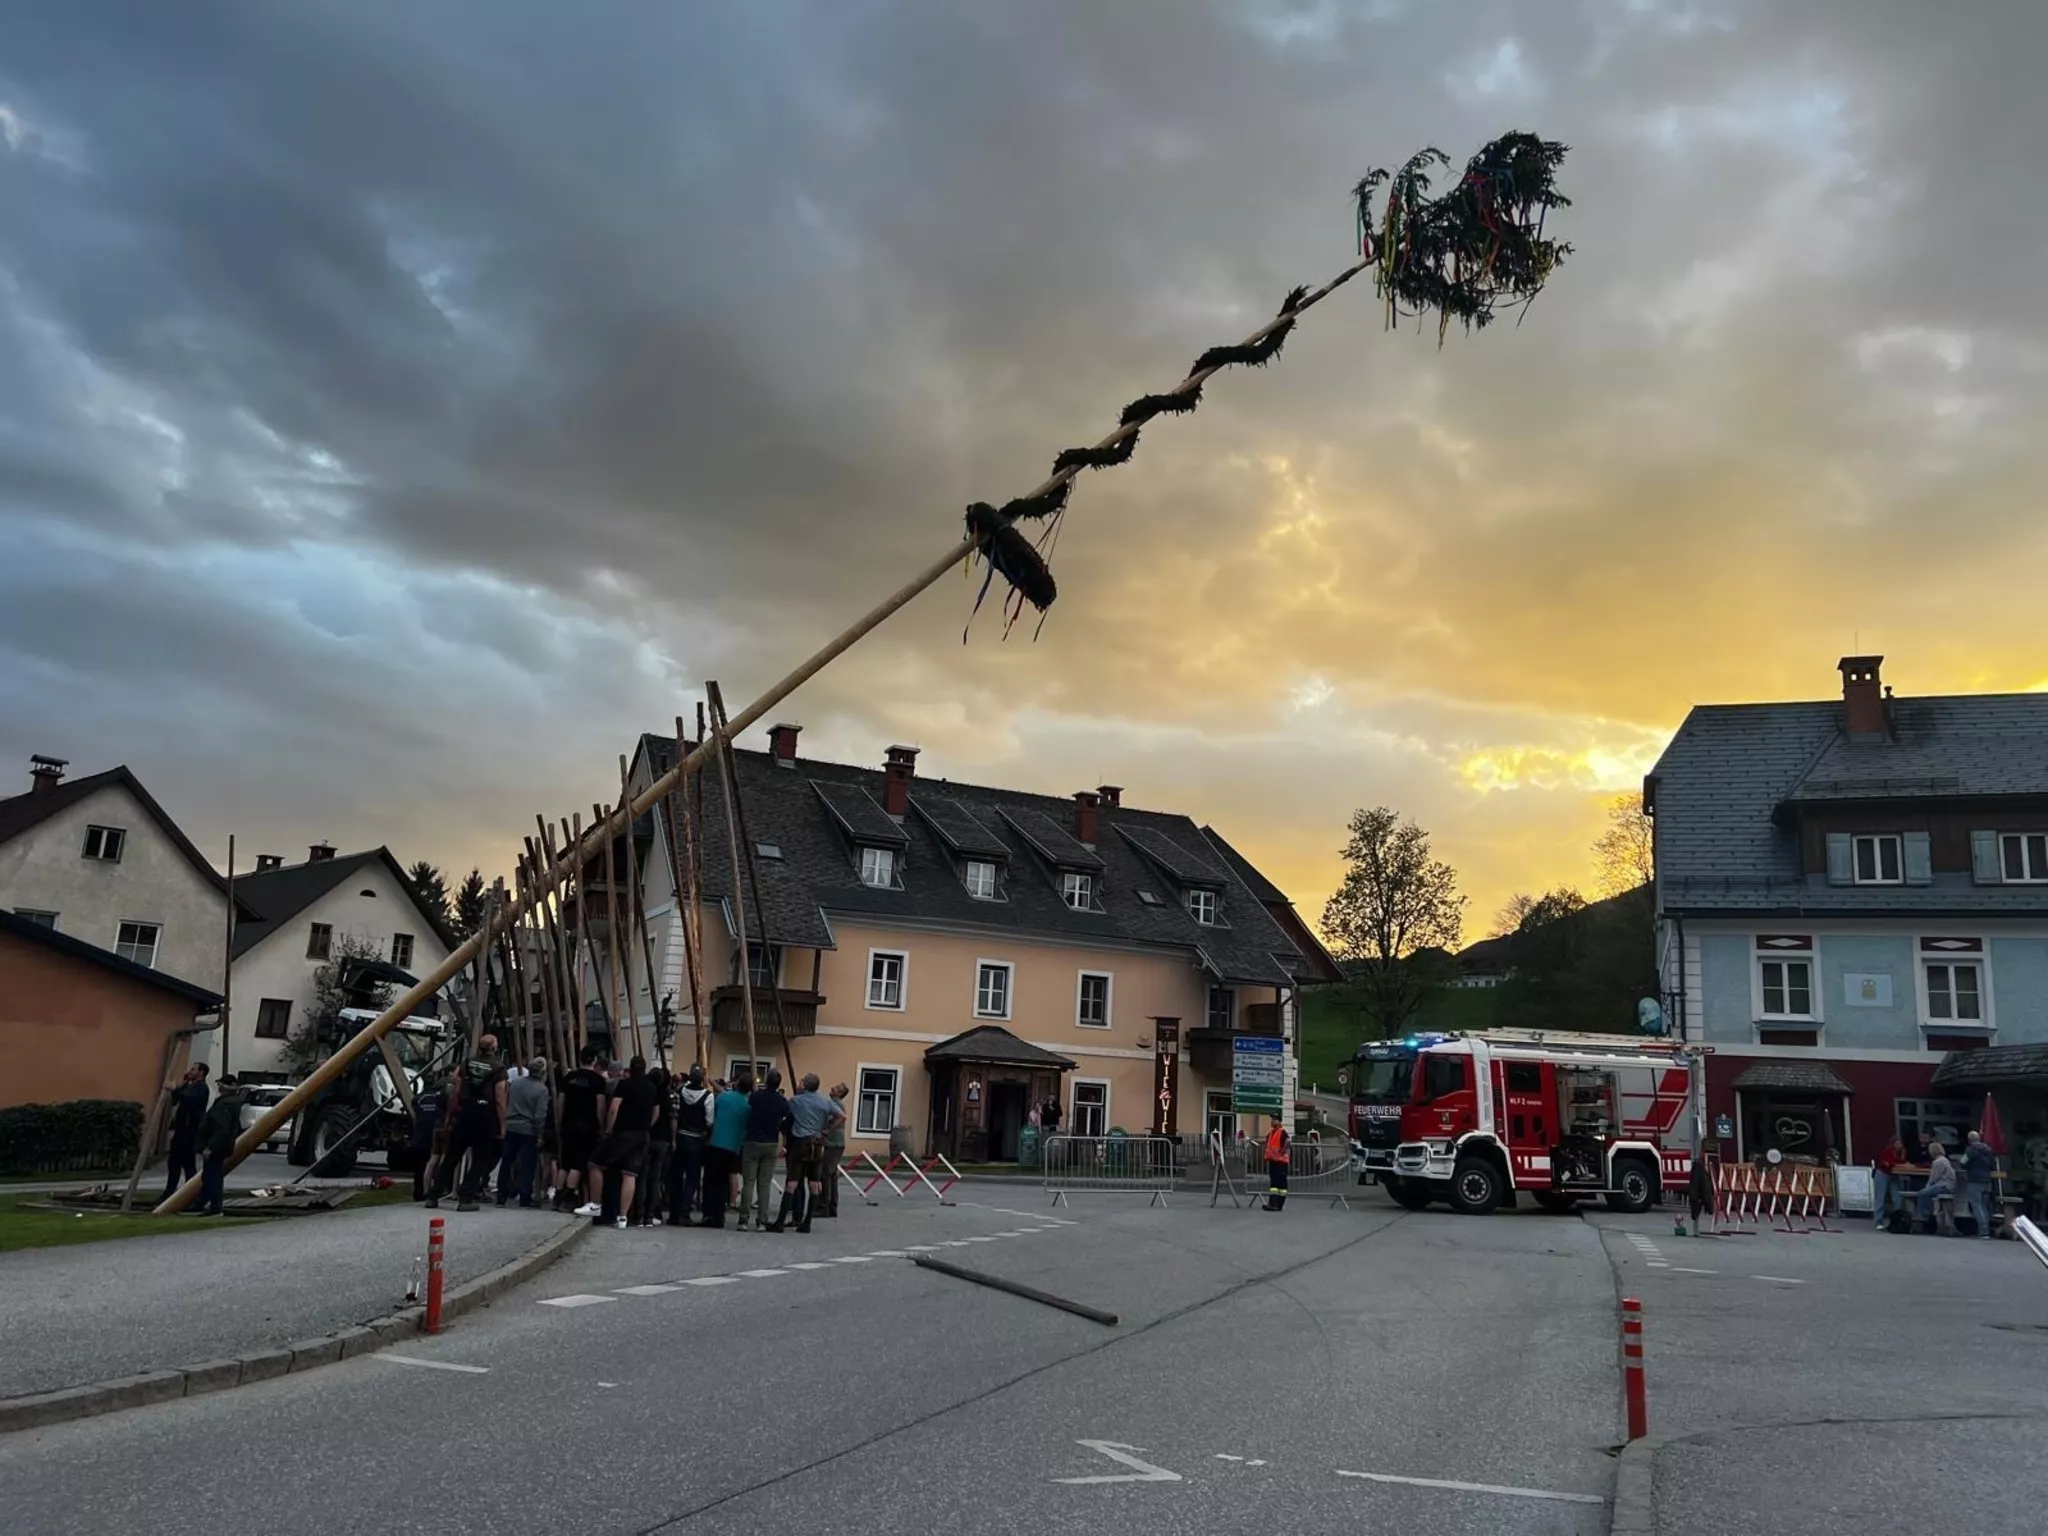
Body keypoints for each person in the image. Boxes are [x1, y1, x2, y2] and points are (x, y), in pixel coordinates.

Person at [577, 1055, 662, 1229]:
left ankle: (595, 1203)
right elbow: (656, 1113)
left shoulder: (625, 1084)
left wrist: (608, 1129)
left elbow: (614, 1107)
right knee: (630, 1174)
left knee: (595, 1163)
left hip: (624, 1132)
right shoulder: (652, 1088)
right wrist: (647, 1126)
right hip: (642, 1134)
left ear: (630, 1069)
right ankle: (622, 1217)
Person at [429, 1034, 508, 1212]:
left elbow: (455, 1090)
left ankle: (434, 1194)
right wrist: (502, 1123)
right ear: (494, 1048)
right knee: (481, 1159)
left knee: (452, 1156)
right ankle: (466, 1196)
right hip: (485, 1117)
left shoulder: (467, 1063)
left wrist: (450, 1116)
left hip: (464, 1114)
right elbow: (500, 1098)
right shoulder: (498, 1068)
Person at [776, 1073, 844, 1234]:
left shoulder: (796, 1101)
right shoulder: (825, 1101)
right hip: (817, 1143)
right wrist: (826, 1130)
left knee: (792, 1181)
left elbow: (785, 1114)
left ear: (805, 1085)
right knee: (814, 1183)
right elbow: (841, 1116)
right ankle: (807, 1223)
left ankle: (780, 1221)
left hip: (800, 1142)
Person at [553, 1046, 609, 1212]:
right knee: (579, 1163)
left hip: (568, 1123)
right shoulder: (598, 1081)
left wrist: (560, 1121)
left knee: (565, 1162)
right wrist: (601, 1125)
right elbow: (600, 1106)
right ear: (594, 1060)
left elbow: (560, 1101)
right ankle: (568, 1197)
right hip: (587, 1126)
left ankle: (557, 1194)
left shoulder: (569, 1077)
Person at [497, 1057, 551, 1208]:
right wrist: (540, 1135)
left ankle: (501, 1194)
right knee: (528, 1165)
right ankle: (525, 1197)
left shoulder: (516, 1083)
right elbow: (540, 1115)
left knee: (507, 1162)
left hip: (511, 1125)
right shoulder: (541, 1089)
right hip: (528, 1129)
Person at [742, 1067, 789, 1234]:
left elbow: (749, 1110)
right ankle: (762, 1220)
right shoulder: (782, 1101)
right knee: (765, 1184)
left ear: (766, 1081)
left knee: (748, 1182)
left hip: (753, 1140)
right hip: (770, 1142)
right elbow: (786, 1120)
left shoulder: (756, 1096)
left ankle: (743, 1219)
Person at [668, 1066, 715, 1226]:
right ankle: (685, 1211)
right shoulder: (708, 1096)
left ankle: (674, 1212)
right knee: (692, 1178)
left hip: (680, 1135)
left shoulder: (680, 1091)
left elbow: (674, 1113)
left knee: (676, 1176)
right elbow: (709, 1121)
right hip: (696, 1139)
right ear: (702, 1078)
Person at [195, 1075, 246, 1215]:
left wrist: (210, 1147)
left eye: (221, 1085)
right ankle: (202, 1203)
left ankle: (215, 1207)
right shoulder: (229, 1102)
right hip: (219, 1146)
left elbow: (221, 1128)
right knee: (209, 1176)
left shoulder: (226, 1104)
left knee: (212, 1176)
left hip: (216, 1147)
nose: (219, 1087)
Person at [704, 1073, 748, 1229]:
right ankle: (719, 1215)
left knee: (710, 1181)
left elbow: (712, 1112)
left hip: (716, 1142)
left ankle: (709, 1214)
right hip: (733, 1146)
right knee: (723, 1182)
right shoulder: (747, 1105)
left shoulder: (724, 1098)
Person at [632, 1068, 674, 1227]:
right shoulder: (670, 1096)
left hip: (649, 1137)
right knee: (656, 1179)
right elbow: (673, 1119)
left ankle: (639, 1214)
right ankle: (650, 1215)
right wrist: (673, 1139)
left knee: (642, 1177)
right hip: (663, 1140)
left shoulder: (649, 1093)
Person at [164, 1063, 210, 1200]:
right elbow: (178, 1101)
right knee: (174, 1163)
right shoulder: (189, 1086)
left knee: (187, 1164)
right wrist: (180, 1085)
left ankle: (192, 1194)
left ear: (201, 1073)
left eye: (193, 1069)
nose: (189, 1071)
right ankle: (170, 1192)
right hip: (181, 1130)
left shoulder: (201, 1088)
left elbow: (191, 1101)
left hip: (190, 1131)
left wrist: (175, 1090)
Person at [408, 1073, 448, 1202]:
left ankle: (419, 1193)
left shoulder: (418, 1099)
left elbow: (414, 1108)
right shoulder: (440, 1098)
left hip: (420, 1137)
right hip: (434, 1135)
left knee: (420, 1167)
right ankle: (436, 1190)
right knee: (435, 1164)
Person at [818, 1082, 850, 1219]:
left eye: (836, 1088)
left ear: (840, 1093)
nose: (832, 1088)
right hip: (836, 1142)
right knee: (832, 1175)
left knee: (825, 1173)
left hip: (834, 1143)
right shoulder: (835, 1103)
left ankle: (824, 1205)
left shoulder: (836, 1105)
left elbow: (838, 1118)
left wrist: (826, 1130)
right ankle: (832, 1206)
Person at [1961, 1129, 1996, 1239]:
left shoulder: (1971, 1150)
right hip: (1987, 1181)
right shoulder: (1988, 1150)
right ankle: (1985, 1231)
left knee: (1976, 1206)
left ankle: (1982, 1231)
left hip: (1974, 1180)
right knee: (1984, 1206)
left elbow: (1963, 1162)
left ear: (1969, 1140)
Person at [1915, 1141, 1957, 1229]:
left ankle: (1924, 1214)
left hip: (1944, 1185)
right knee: (1926, 1192)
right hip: (1949, 1185)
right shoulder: (1945, 1160)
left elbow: (1934, 1178)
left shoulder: (1937, 1162)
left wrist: (1926, 1187)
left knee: (1922, 1193)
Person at [1873, 1133, 1908, 1231]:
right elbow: (1885, 1163)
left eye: (1900, 1143)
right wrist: (1896, 1164)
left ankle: (1897, 1219)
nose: (1899, 1145)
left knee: (1897, 1197)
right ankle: (1878, 1221)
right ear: (1893, 1144)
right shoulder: (1888, 1150)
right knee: (1880, 1197)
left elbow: (1903, 1162)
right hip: (1882, 1174)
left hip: (1894, 1175)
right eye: (1897, 1143)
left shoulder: (1903, 1152)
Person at [1262, 1120, 1291, 1213]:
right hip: (1273, 1161)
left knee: (1280, 1184)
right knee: (1274, 1184)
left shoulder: (1281, 1132)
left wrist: (1283, 1150)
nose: (1272, 1121)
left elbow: (1288, 1141)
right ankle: (1273, 1204)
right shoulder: (1271, 1133)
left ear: (1279, 1122)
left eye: (1274, 1120)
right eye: (1272, 1120)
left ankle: (1278, 1204)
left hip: (1281, 1162)